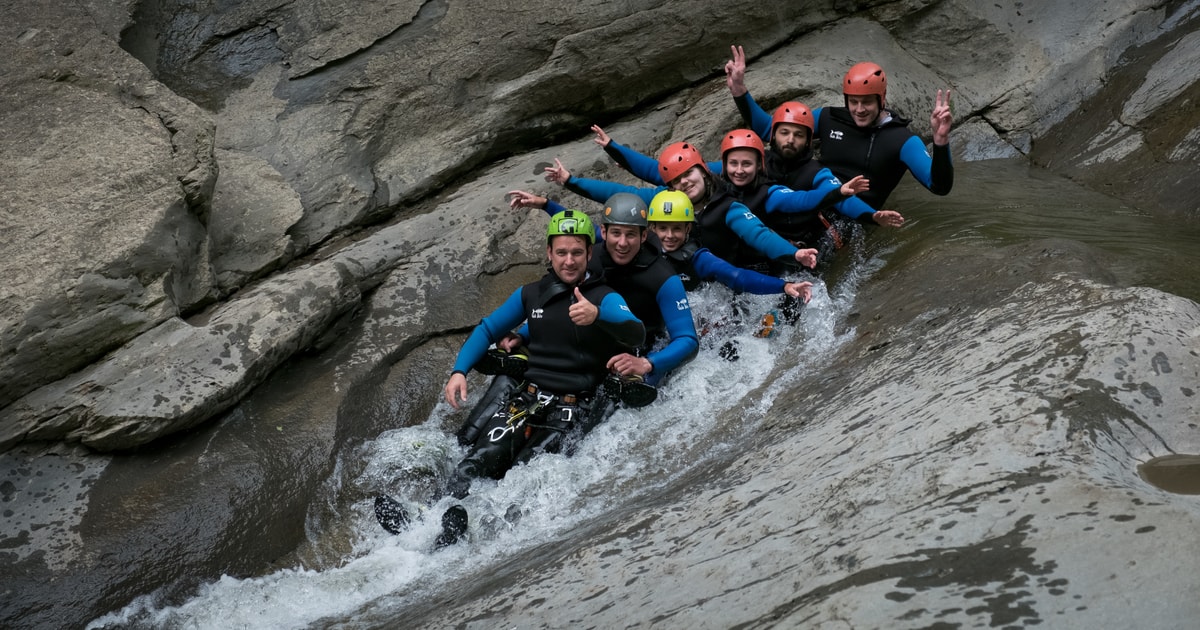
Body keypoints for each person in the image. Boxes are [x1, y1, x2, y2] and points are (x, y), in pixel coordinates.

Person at [375, 209, 646, 546]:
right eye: (561, 252)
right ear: (548, 253)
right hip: (528, 398)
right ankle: (424, 518)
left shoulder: (605, 297)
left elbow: (636, 333)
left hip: (574, 406)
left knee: (525, 473)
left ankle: (473, 530)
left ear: (590, 253)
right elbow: (488, 328)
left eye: (577, 252)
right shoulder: (531, 294)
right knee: (475, 462)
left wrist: (598, 315)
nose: (569, 260)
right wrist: (459, 371)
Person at [591, 124, 896, 270]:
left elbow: (803, 200)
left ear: (759, 164)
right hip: (739, 256)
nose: (738, 171)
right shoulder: (709, 178)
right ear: (721, 167)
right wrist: (611, 149)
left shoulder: (768, 192)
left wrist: (839, 193)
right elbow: (657, 175)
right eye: (733, 164)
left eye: (746, 164)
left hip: (783, 245)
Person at [508, 192, 700, 392]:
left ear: (643, 236)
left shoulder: (663, 277)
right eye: (616, 233)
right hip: (589, 338)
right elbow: (558, 303)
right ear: (604, 232)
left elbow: (688, 340)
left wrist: (647, 363)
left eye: (631, 234)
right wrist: (524, 336)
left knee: (631, 391)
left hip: (639, 346)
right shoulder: (588, 258)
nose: (622, 243)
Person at [725, 44, 954, 211]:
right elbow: (771, 132)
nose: (859, 109)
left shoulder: (903, 141)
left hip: (850, 220)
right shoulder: (828, 118)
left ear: (881, 99)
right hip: (810, 198)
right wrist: (739, 91)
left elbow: (939, 186)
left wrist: (941, 142)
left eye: (867, 102)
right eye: (853, 102)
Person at [543, 145, 816, 274]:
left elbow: (758, 233)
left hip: (742, 271)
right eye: (676, 179)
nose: (684, 182)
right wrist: (570, 182)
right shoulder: (668, 201)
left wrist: (794, 254)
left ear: (705, 171)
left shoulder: (727, 207)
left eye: (690, 173)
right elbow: (623, 197)